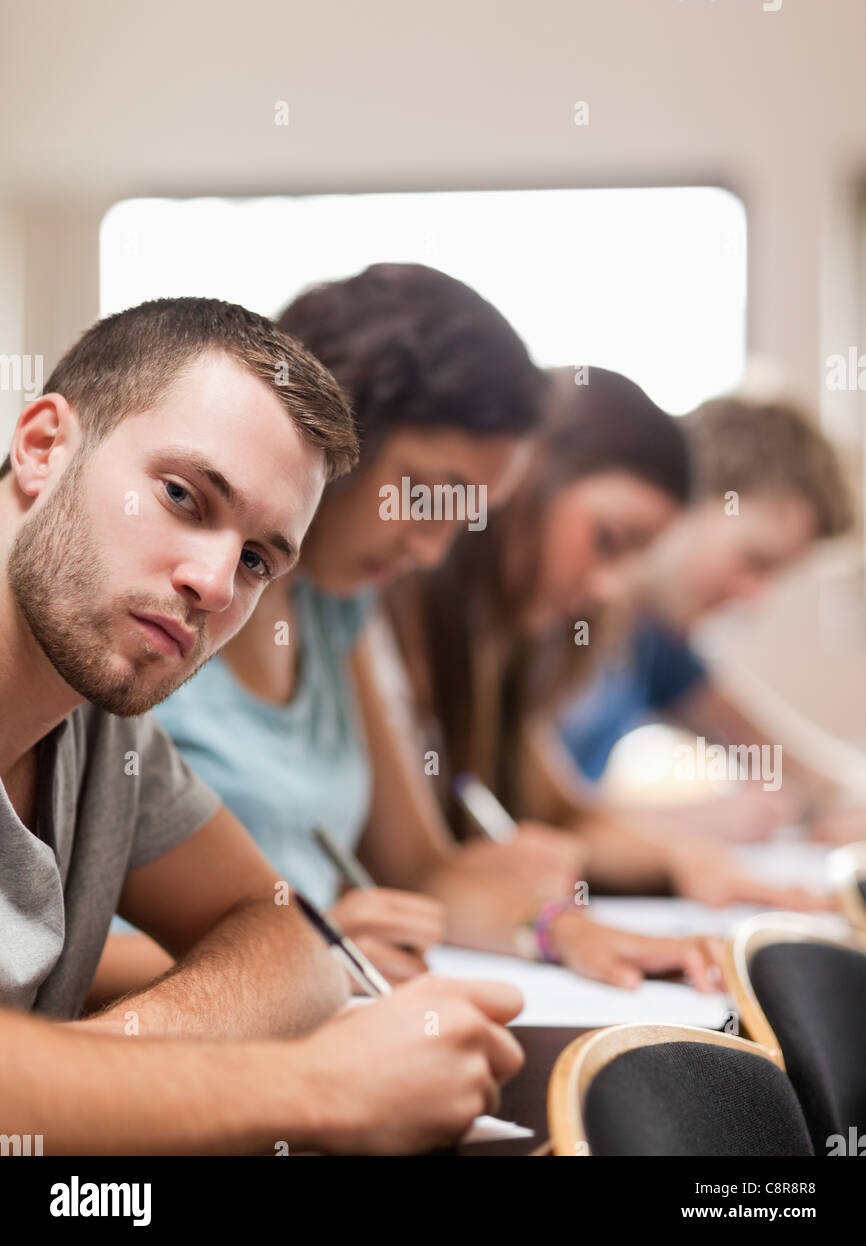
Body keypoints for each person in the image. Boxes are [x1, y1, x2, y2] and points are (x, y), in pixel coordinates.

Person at [97, 282, 726, 998]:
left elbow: (421, 868)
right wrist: (304, 949)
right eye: (425, 495)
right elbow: (64, 949)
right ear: (337, 434)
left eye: (463, 520)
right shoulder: (157, 610)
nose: (430, 555)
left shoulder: (339, 607)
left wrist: (558, 931)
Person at [0, 295, 524, 1154]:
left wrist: (80, 1086)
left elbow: (287, 928)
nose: (213, 582)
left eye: (257, 561)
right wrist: (312, 1088)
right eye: (182, 496)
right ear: (44, 447)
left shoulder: (104, 727)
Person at [384, 368, 832, 924]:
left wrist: (685, 860)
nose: (612, 589)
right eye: (610, 540)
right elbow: (421, 868)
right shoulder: (389, 610)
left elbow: (560, 813)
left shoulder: (505, 647)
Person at [559, 395, 861, 842]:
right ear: (684, 497)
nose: (754, 598)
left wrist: (841, 802)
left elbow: (787, 766)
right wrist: (678, 824)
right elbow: (506, 815)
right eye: (754, 560)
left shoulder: (655, 643)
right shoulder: (557, 606)